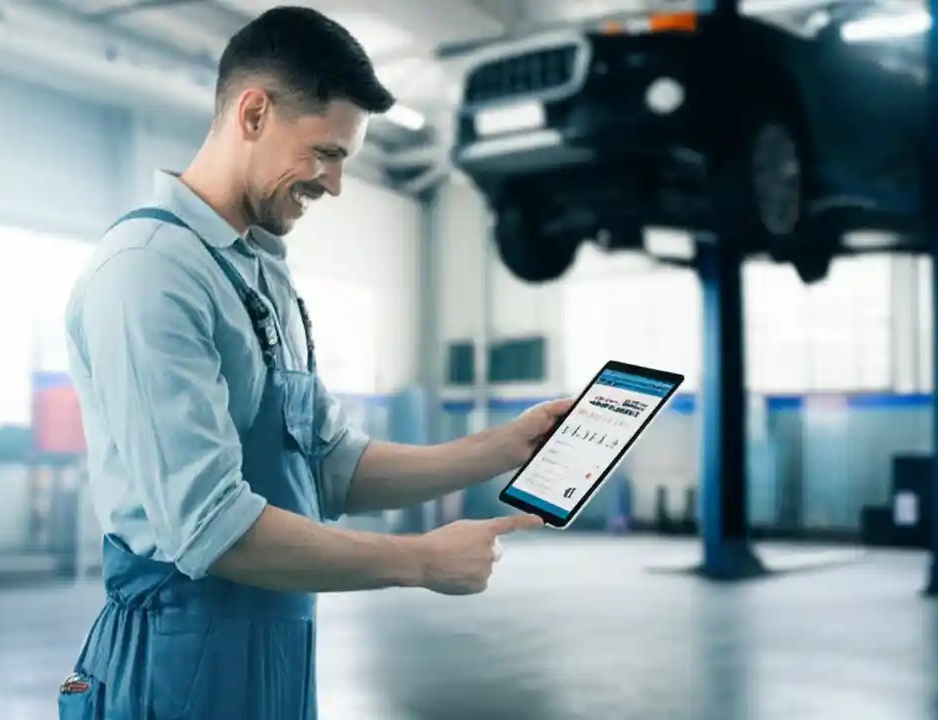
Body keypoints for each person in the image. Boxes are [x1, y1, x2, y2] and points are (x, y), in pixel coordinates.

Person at [57, 6, 571, 719]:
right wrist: (420, 560)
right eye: (326, 153)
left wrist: (506, 448)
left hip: (272, 642)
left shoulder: (258, 269)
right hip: (173, 656)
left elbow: (330, 466)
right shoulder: (150, 273)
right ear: (254, 113)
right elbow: (211, 527)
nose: (334, 184)